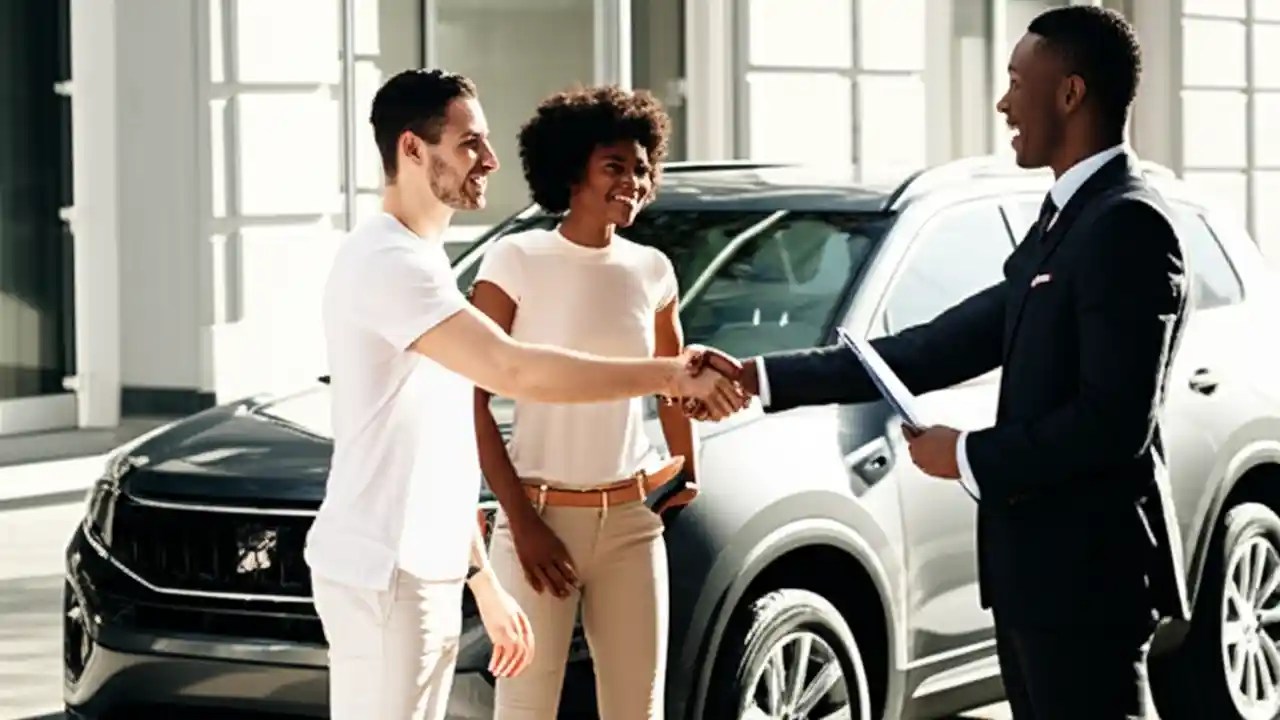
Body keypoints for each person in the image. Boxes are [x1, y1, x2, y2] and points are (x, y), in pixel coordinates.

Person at [690, 7, 1191, 719]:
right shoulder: (1068, 221)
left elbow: (1113, 424)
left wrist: (967, 455)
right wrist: (757, 376)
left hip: (1087, 582)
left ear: (1071, 94)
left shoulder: (1127, 224)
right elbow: (929, 349)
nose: (1004, 102)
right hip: (1037, 580)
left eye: (1019, 81)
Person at [303, 69, 747, 720]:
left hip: (423, 566)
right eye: (469, 144)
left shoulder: (423, 261)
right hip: (385, 570)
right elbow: (512, 373)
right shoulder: (390, 263)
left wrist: (482, 579)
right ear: (412, 149)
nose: (489, 159)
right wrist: (667, 374)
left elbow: (443, 436)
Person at [468, 85, 695, 720]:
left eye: (643, 167)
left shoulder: (652, 268)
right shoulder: (516, 257)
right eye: (614, 166)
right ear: (572, 170)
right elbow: (470, 398)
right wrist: (524, 520)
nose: (634, 181)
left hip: (630, 523)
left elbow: (672, 379)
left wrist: (688, 466)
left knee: (636, 709)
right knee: (525, 707)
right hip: (539, 518)